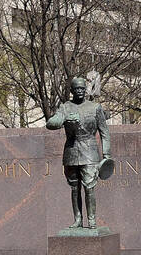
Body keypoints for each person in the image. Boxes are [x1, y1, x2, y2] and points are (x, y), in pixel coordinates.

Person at [45, 75, 112, 229]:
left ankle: (92, 219)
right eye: (77, 89)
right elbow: (51, 123)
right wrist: (65, 118)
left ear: (85, 89)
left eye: (82, 88)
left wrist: (107, 155)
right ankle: (78, 219)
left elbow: (104, 132)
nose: (80, 91)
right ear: (72, 91)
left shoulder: (95, 107)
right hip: (71, 151)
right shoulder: (65, 107)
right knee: (75, 188)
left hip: (90, 151)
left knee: (89, 187)